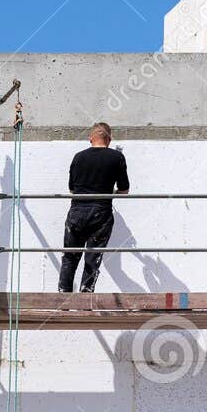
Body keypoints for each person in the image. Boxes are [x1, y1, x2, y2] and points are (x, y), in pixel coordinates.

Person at [59, 122, 129, 293]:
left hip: (76, 212)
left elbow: (72, 189)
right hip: (101, 213)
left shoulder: (78, 157)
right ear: (109, 139)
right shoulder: (116, 158)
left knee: (70, 257)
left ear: (91, 138)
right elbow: (124, 190)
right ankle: (85, 298)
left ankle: (63, 299)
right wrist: (109, 192)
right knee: (92, 258)